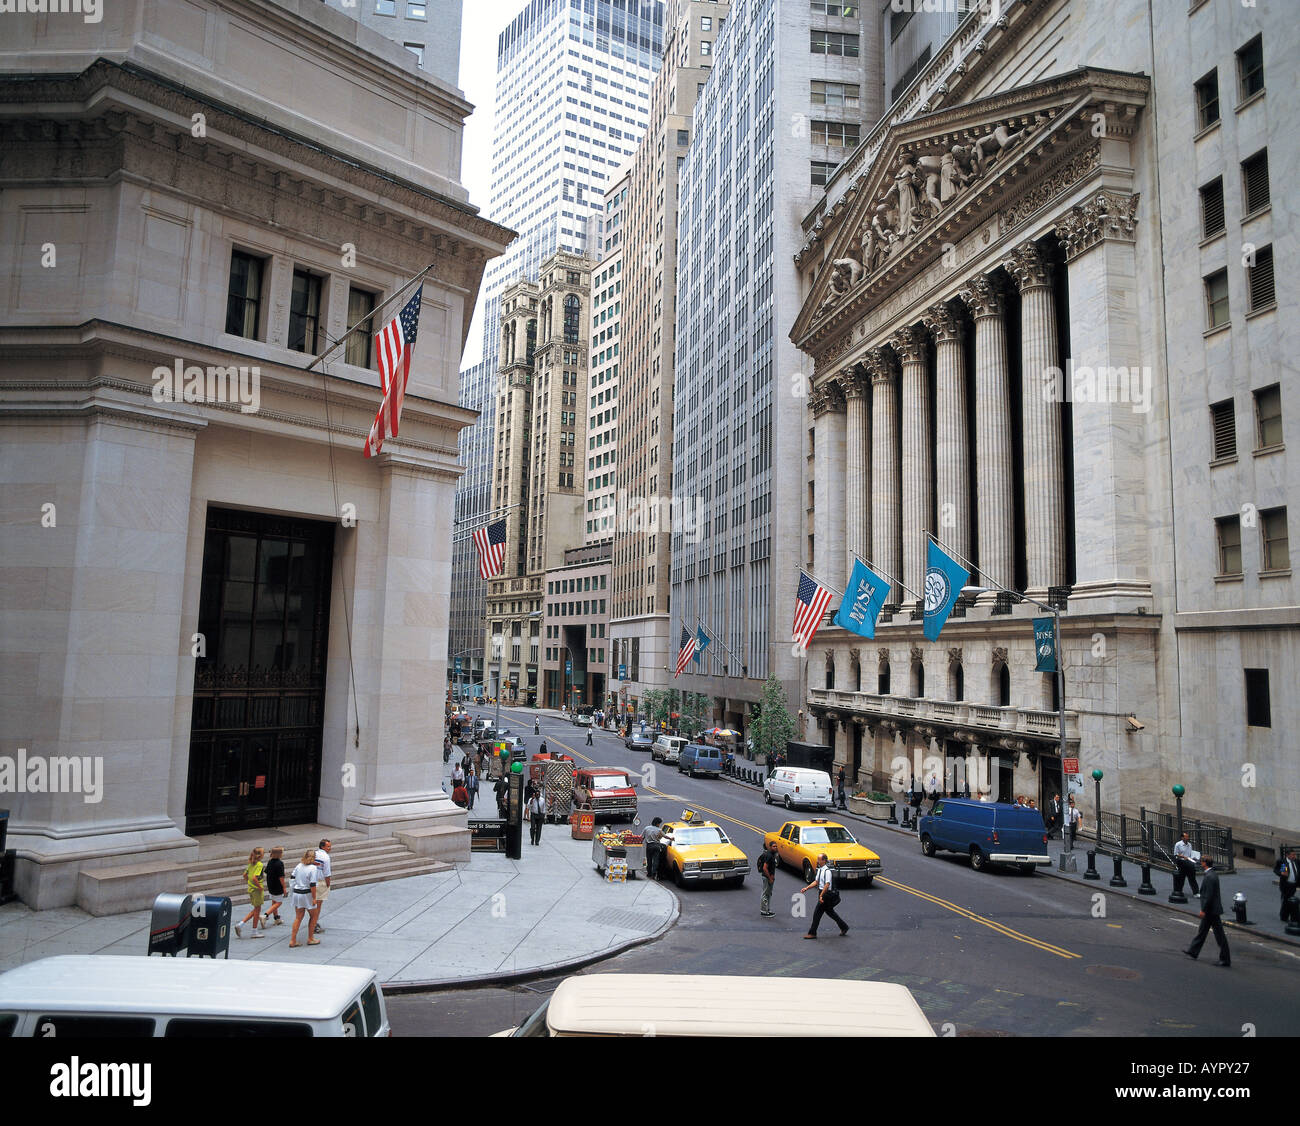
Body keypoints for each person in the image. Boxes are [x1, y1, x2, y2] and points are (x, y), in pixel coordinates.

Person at [1184, 856, 1230, 967]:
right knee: (1202, 931)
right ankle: (1193, 951)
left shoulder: (1210, 876)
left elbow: (1208, 896)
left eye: (1202, 862)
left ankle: (1225, 959)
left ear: (1205, 863)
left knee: (1219, 936)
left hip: (1211, 911)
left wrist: (1203, 910)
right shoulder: (1212, 874)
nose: (1200, 863)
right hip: (1212, 910)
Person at [801, 853, 848, 939]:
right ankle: (844, 927)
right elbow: (816, 882)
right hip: (822, 893)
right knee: (830, 912)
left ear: (824, 860)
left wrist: (821, 896)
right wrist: (807, 888)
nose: (817, 861)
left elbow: (827, 885)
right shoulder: (820, 870)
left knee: (817, 914)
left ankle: (812, 933)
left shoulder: (827, 871)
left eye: (819, 859)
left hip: (826, 895)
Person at [288, 848, 322, 947]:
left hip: (297, 893)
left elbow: (292, 878)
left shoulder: (299, 866)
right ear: (314, 858)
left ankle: (293, 940)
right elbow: (312, 884)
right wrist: (314, 898)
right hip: (307, 894)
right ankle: (310, 938)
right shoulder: (313, 868)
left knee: (298, 917)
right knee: (314, 916)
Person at [235, 847, 266, 938]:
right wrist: (259, 887)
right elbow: (255, 878)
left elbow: (245, 875)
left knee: (256, 909)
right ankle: (253, 930)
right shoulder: (259, 864)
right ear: (260, 855)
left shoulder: (251, 864)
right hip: (256, 890)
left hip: (251, 889)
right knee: (257, 910)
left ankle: (241, 924)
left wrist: (249, 883)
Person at [312, 839, 332, 933]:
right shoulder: (326, 857)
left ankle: (313, 922)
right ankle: (314, 924)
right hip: (320, 882)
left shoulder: (313, 854)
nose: (330, 848)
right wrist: (328, 884)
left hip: (310, 882)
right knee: (318, 905)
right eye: (328, 846)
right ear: (323, 847)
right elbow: (327, 873)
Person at [263, 846, 286, 926]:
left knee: (274, 901)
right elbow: (281, 877)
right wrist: (284, 887)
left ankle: (276, 918)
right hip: (277, 885)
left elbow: (266, 872)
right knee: (279, 902)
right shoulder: (280, 863)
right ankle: (265, 915)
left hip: (270, 884)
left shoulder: (270, 862)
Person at [1173, 831, 1200, 897]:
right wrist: (1183, 856)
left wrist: (1194, 857)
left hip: (1189, 862)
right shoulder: (1178, 844)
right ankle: (1179, 891)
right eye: (1186, 837)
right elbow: (1176, 854)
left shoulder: (1189, 844)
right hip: (1181, 862)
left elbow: (1190, 853)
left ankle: (1196, 892)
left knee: (1192, 878)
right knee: (1182, 877)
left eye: (1188, 837)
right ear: (1182, 838)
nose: (1187, 838)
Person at [1275, 850, 1299, 920]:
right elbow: (1278, 870)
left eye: (1294, 855)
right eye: (1292, 855)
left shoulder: (1296, 862)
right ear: (1287, 855)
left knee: (1291, 900)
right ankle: (1284, 916)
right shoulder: (1284, 863)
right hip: (1286, 885)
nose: (1294, 856)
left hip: (1293, 885)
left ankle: (1291, 914)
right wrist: (1281, 873)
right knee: (1286, 900)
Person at [757, 840, 778, 918]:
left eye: (776, 846)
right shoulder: (769, 855)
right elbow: (765, 868)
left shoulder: (772, 854)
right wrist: (769, 878)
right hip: (767, 877)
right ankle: (763, 911)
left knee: (768, 893)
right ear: (770, 847)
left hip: (769, 877)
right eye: (774, 846)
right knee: (765, 893)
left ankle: (767, 909)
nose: (775, 848)